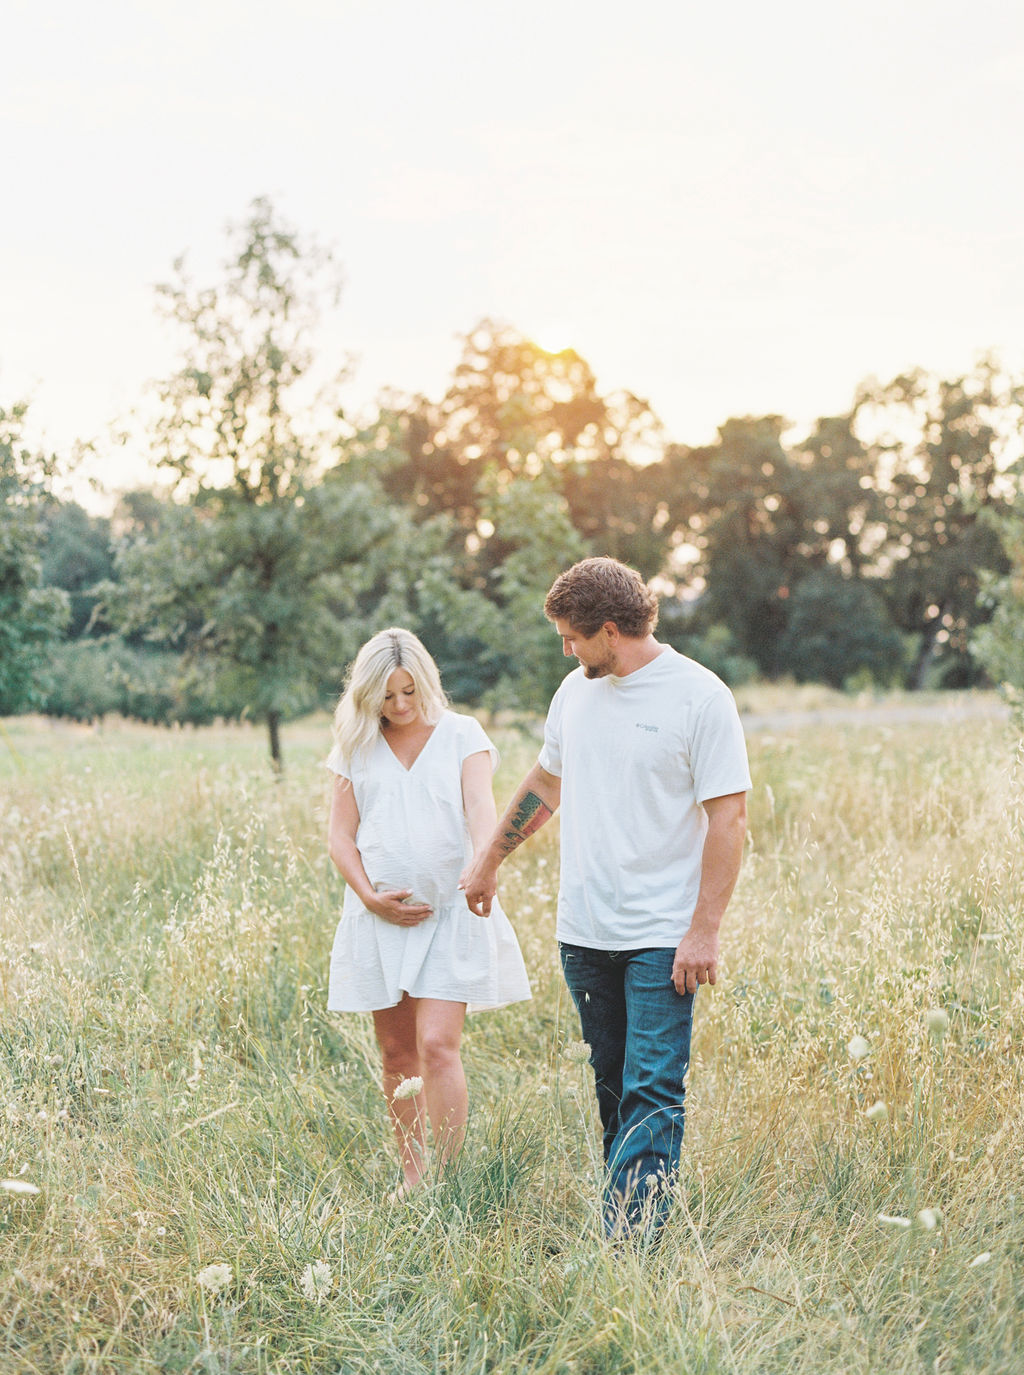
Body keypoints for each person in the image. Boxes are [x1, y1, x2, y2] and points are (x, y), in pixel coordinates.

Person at [462, 557, 751, 1239]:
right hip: (584, 932)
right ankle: (625, 1221)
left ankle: (630, 1251)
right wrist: (489, 859)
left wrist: (703, 930)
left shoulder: (698, 697)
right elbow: (546, 785)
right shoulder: (575, 693)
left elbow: (730, 819)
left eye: (571, 636)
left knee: (653, 1089)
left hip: (662, 935)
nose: (565, 648)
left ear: (612, 629)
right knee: (614, 1087)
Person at [326, 627, 531, 1198]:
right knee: (396, 1052)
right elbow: (341, 838)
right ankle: (413, 1175)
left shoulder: (462, 734)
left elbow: (479, 811)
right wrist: (370, 897)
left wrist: (485, 867)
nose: (399, 706)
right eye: (387, 697)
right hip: (379, 918)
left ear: (426, 683)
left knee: (438, 1045)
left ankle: (447, 1179)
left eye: (409, 692)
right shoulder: (356, 746)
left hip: (449, 912)